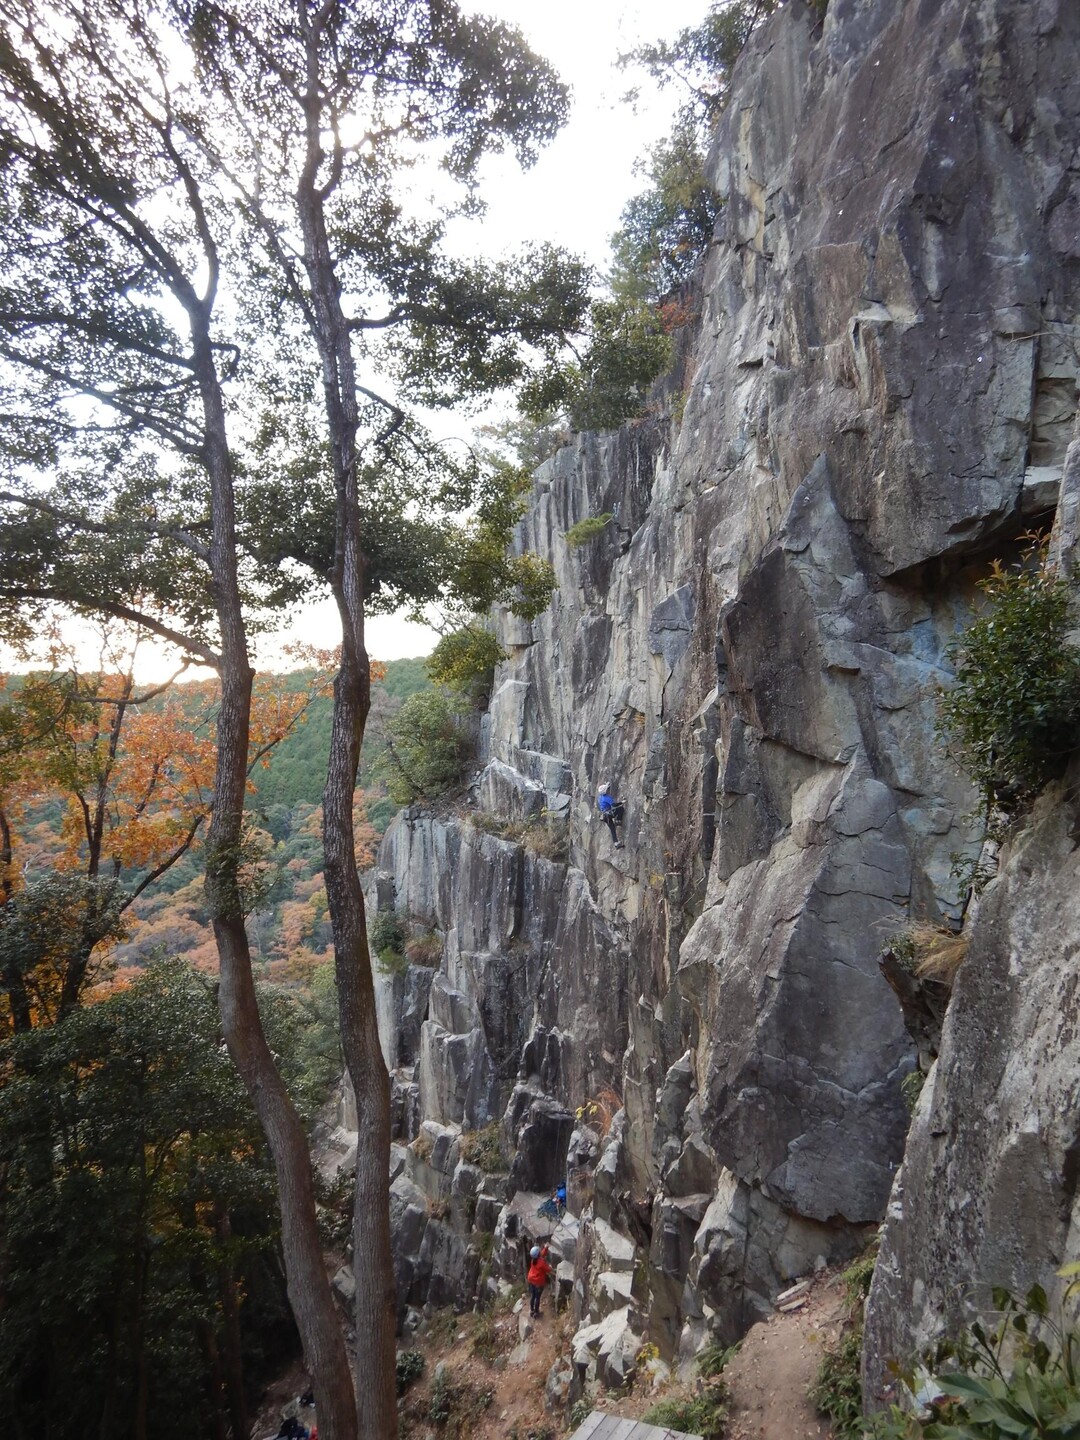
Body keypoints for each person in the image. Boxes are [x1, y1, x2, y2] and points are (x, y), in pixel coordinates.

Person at [527, 1242, 553, 1317]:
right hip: (538, 1282)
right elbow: (548, 1269)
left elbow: (541, 1254)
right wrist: (550, 1267)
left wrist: (545, 1248)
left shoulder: (533, 1261)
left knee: (533, 1296)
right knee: (537, 1297)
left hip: (531, 1280)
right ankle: (536, 1312)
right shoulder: (541, 1262)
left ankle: (532, 1310)